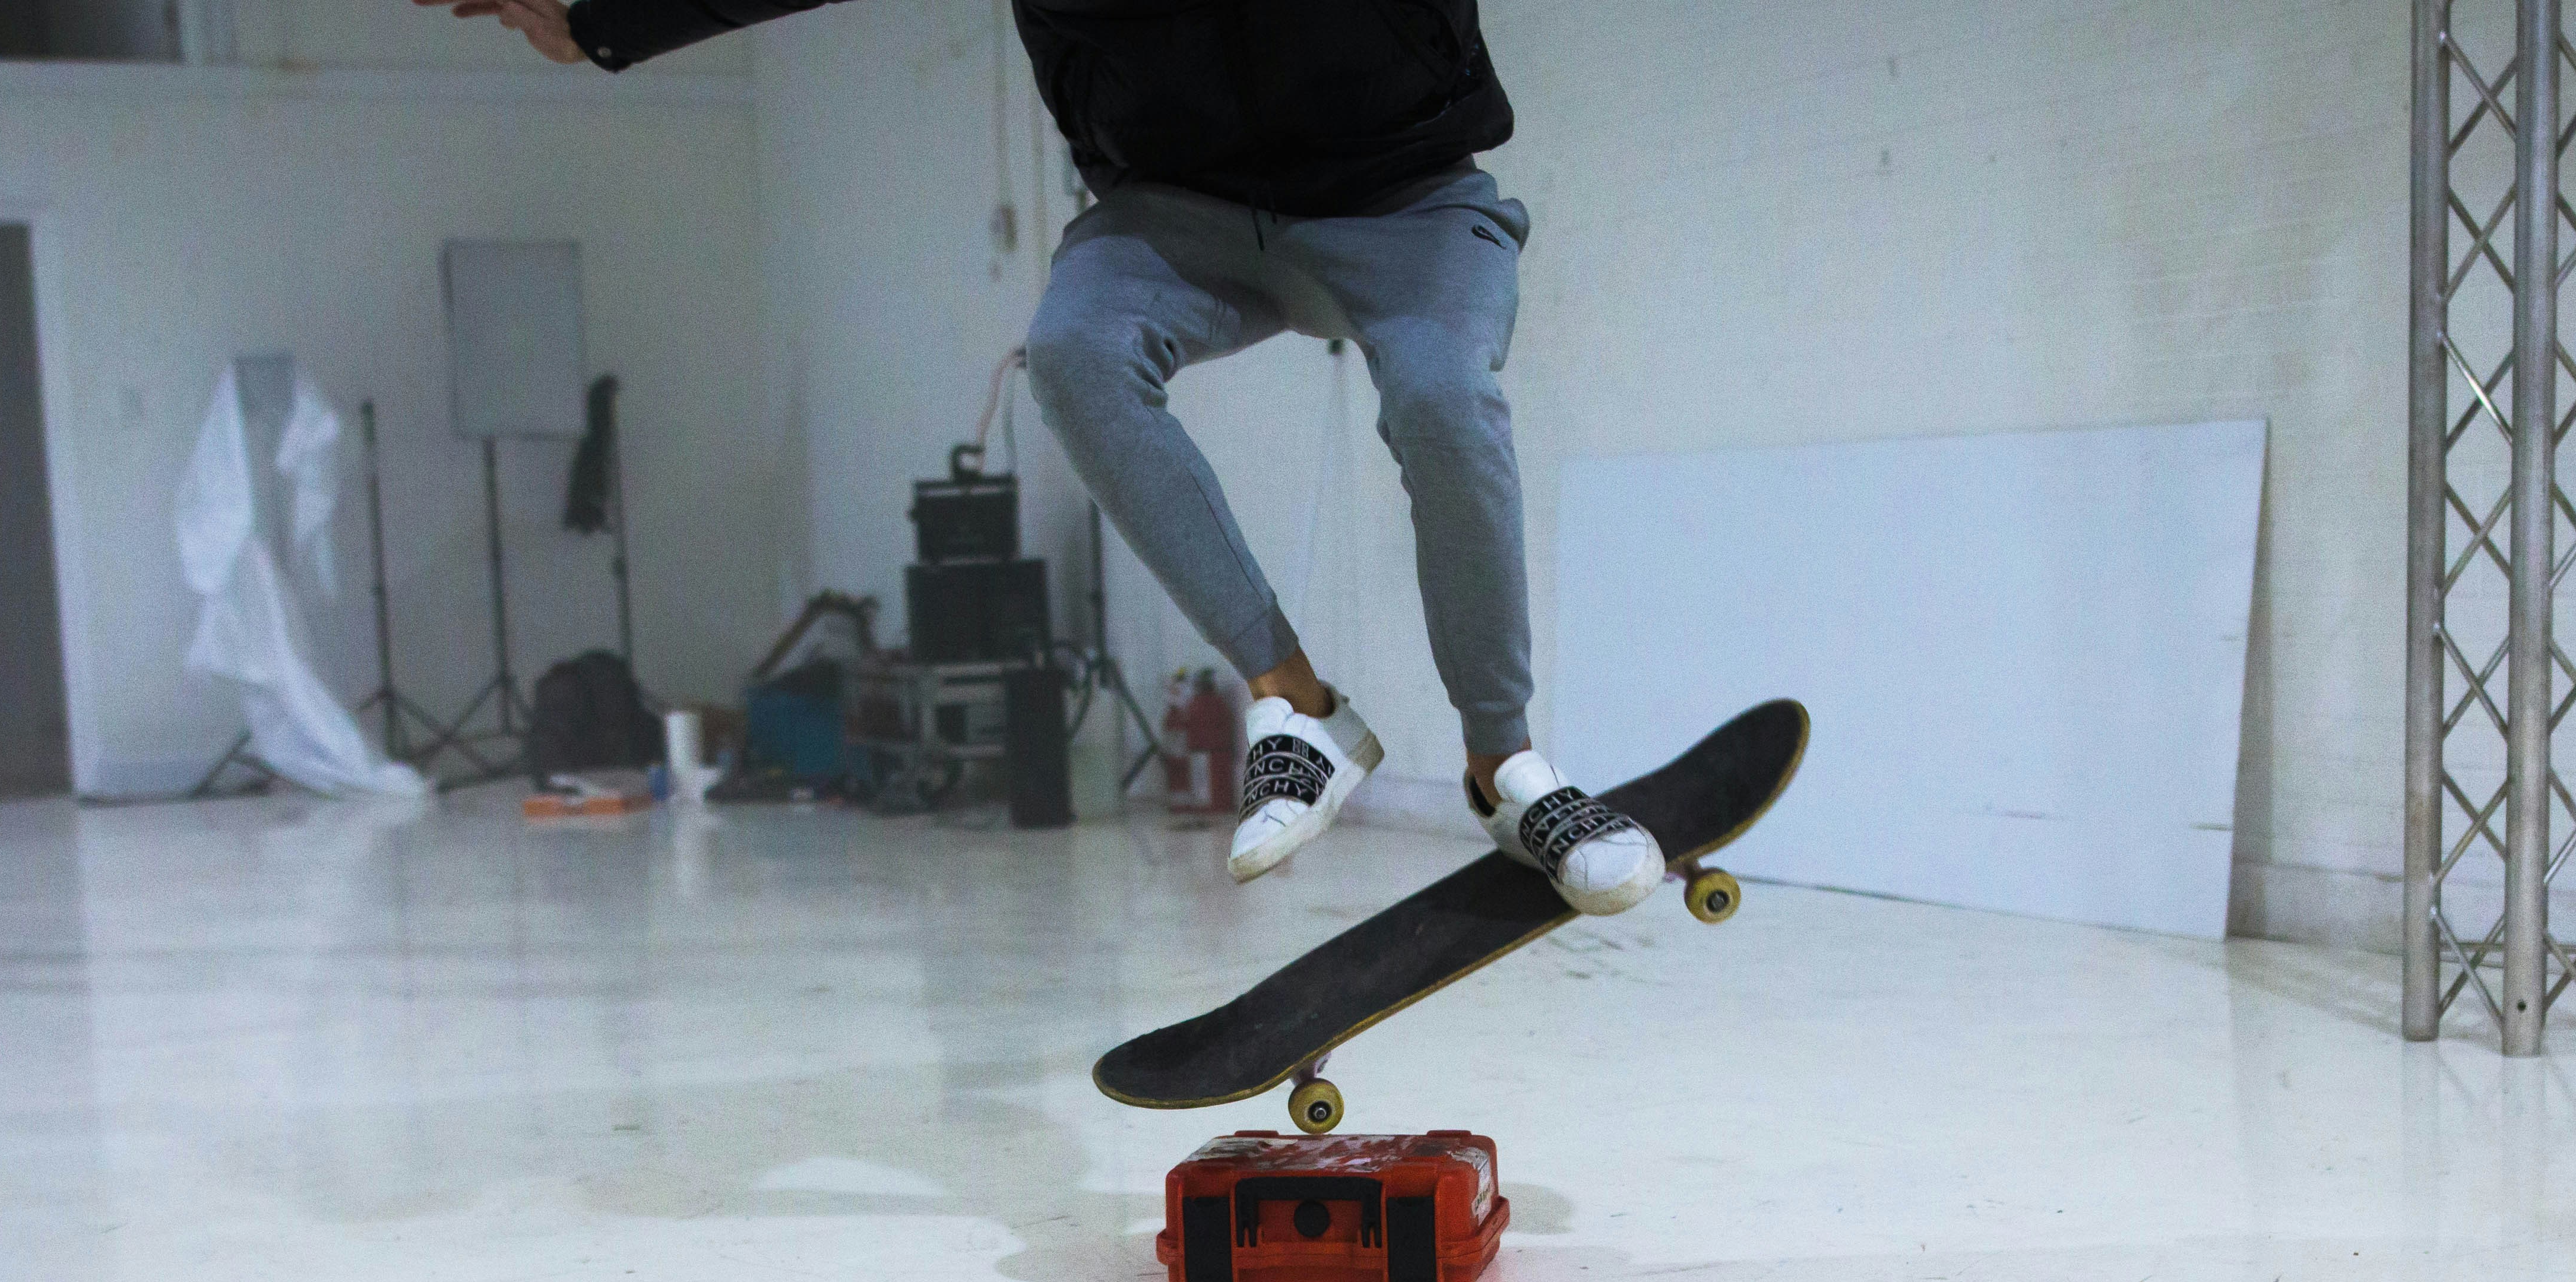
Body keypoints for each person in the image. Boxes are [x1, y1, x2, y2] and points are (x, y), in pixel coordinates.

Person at [425, 0, 1663, 914]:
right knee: (1071, 354)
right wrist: (604, 18)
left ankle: (1507, 769)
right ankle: (1299, 705)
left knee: (1445, 396)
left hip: (1402, 193)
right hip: (1171, 206)